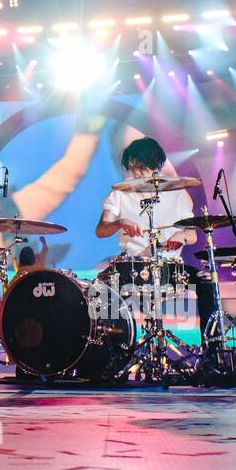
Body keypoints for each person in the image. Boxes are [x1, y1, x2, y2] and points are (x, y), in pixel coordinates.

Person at [94, 137, 215, 338]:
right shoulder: (120, 193)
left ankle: (212, 352)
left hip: (171, 266)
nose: (135, 173)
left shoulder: (177, 193)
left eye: (141, 167)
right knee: (99, 289)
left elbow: (192, 234)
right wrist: (119, 223)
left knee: (206, 282)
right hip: (133, 266)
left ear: (156, 166)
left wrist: (181, 235)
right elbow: (101, 230)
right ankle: (118, 350)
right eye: (131, 168)